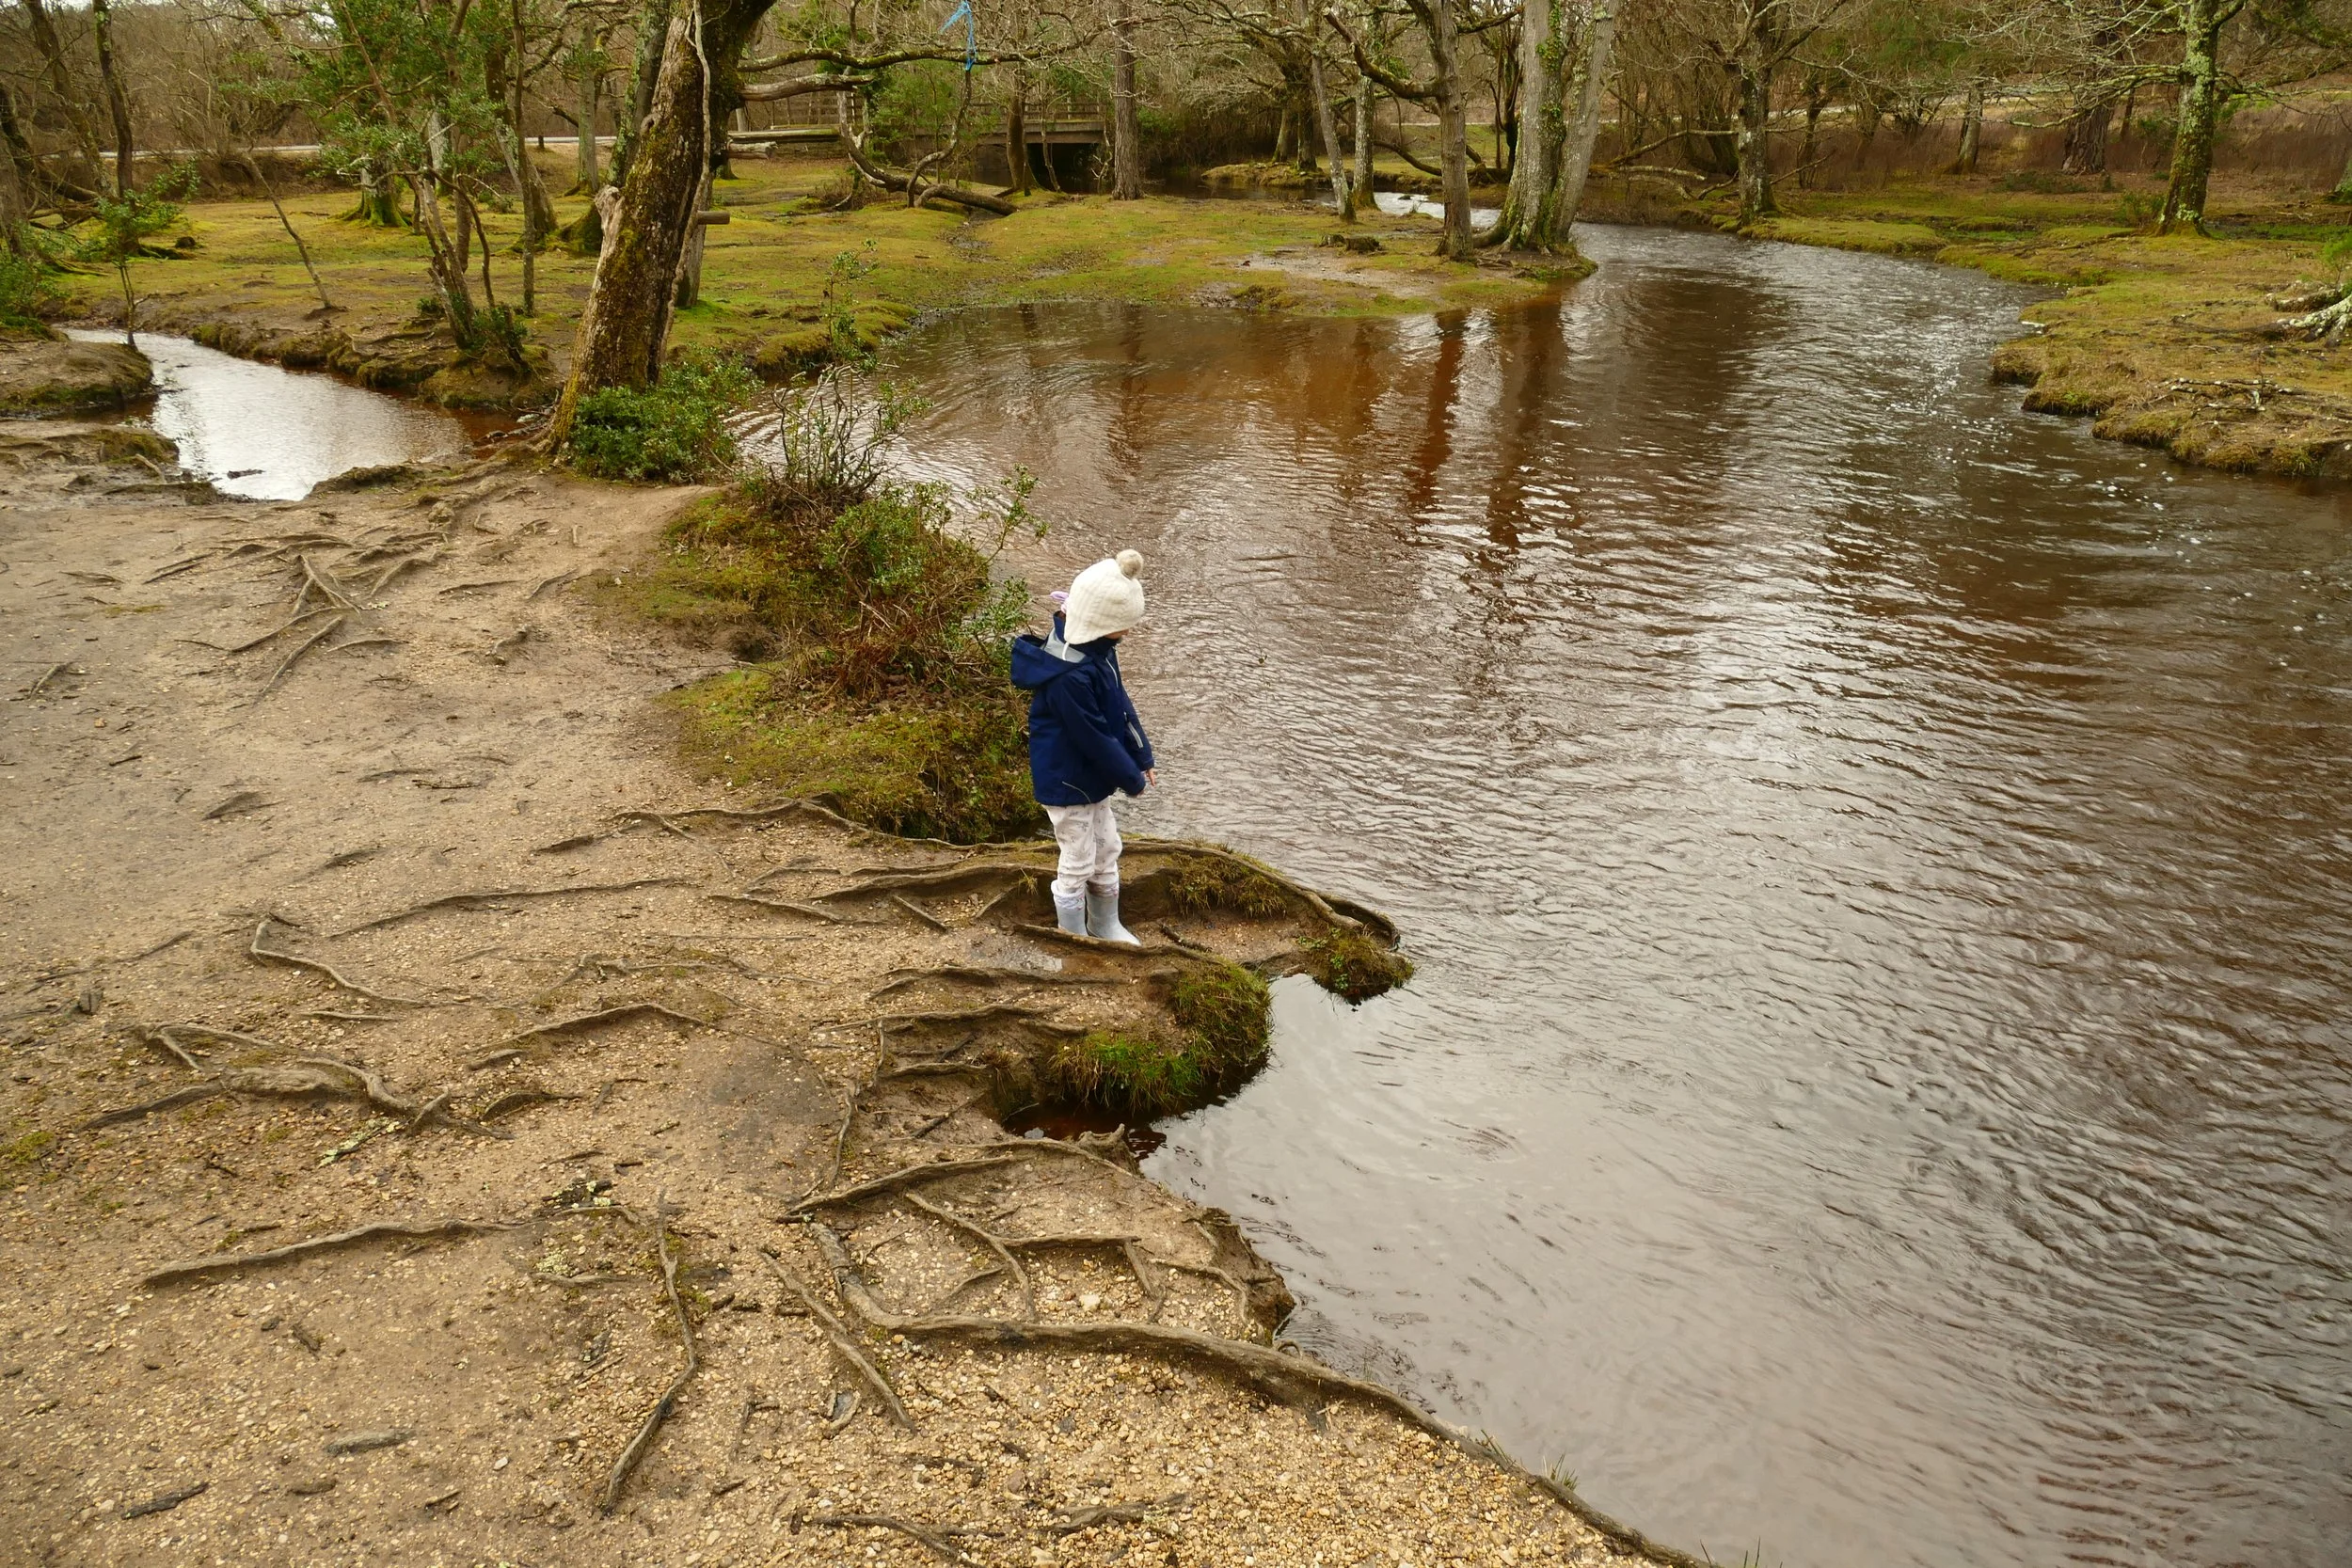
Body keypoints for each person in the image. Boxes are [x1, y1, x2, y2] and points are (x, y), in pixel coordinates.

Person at [1009, 550, 1155, 943]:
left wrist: (1142, 756)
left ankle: (1105, 924)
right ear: (1097, 622)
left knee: (1108, 847)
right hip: (1067, 781)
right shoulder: (1068, 676)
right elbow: (1093, 736)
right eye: (1121, 627)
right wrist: (1131, 778)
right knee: (1077, 860)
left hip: (1091, 778)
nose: (1125, 634)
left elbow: (1121, 706)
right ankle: (1072, 938)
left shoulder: (1099, 653)